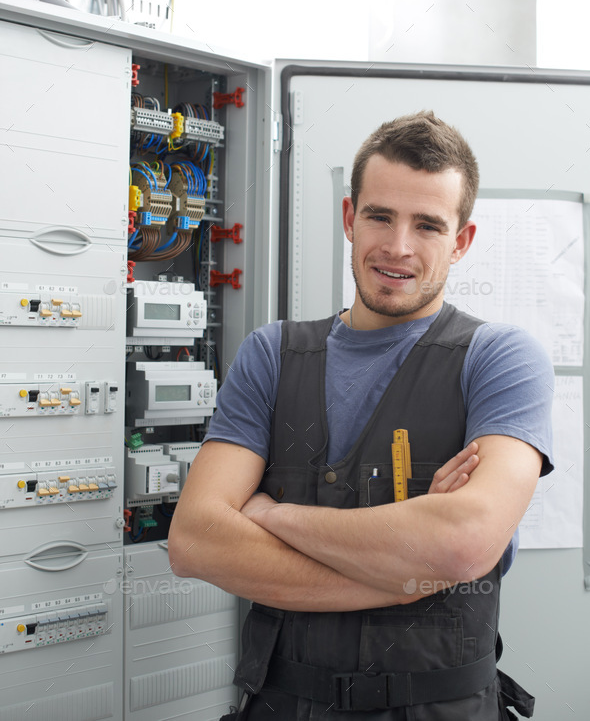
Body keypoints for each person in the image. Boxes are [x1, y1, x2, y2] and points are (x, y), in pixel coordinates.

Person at [168, 110, 554, 721]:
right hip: (281, 706)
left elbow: (465, 541)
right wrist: (411, 571)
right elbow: (194, 541)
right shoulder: (272, 355)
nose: (397, 247)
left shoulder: (501, 360)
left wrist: (272, 514)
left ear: (461, 241)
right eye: (380, 216)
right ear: (350, 219)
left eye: (428, 225)